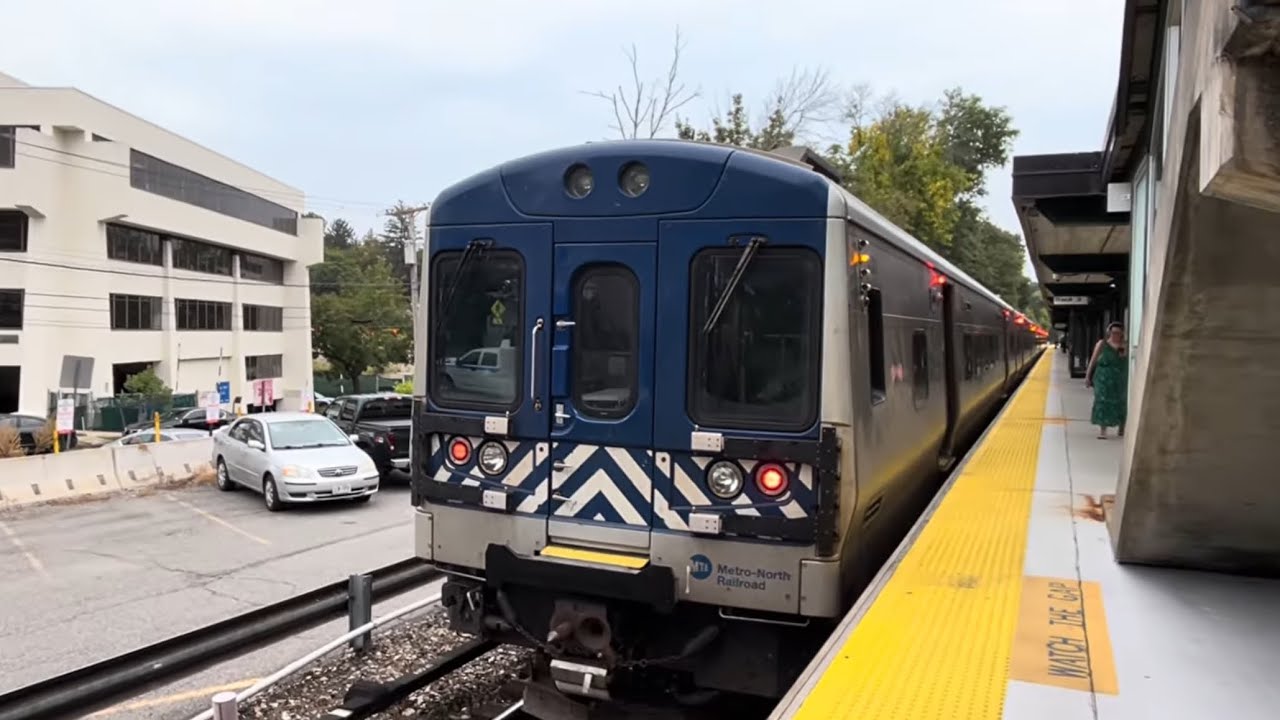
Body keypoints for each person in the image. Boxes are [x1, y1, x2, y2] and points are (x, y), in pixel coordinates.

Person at [1085, 322, 1128, 439]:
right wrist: (1088, 376)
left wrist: (1123, 350)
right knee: (1102, 401)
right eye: (1113, 333)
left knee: (1121, 402)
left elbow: (1126, 361)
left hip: (1119, 378)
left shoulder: (1124, 346)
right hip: (1102, 377)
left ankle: (1121, 427)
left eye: (1118, 333)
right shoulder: (1102, 344)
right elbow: (1093, 360)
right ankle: (1103, 430)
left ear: (1122, 334)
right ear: (1109, 332)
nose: (1115, 335)